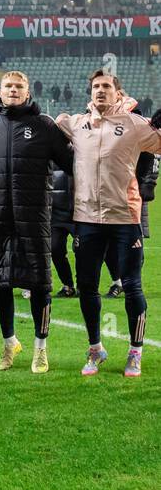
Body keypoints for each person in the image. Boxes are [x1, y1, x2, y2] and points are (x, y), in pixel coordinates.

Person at [0, 72, 74, 373]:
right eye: (8, 86)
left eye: (18, 87)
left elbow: (72, 164)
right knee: (1, 283)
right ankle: (9, 343)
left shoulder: (44, 125)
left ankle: (40, 349)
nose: (13, 90)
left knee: (40, 284)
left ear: (27, 92)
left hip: (34, 218)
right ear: (0, 91)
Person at [55, 70, 161, 377]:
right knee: (87, 287)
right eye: (96, 87)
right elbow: (45, 126)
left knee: (132, 286)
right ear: (90, 93)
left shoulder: (134, 124)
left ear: (118, 92)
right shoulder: (75, 124)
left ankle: (135, 351)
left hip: (124, 219)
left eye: (106, 87)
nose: (101, 91)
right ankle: (95, 348)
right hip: (86, 219)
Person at [49, 164, 76, 297]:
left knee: (84, 251)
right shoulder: (50, 146)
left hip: (80, 211)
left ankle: (84, 285)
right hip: (56, 211)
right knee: (55, 249)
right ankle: (68, 285)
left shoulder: (83, 144)